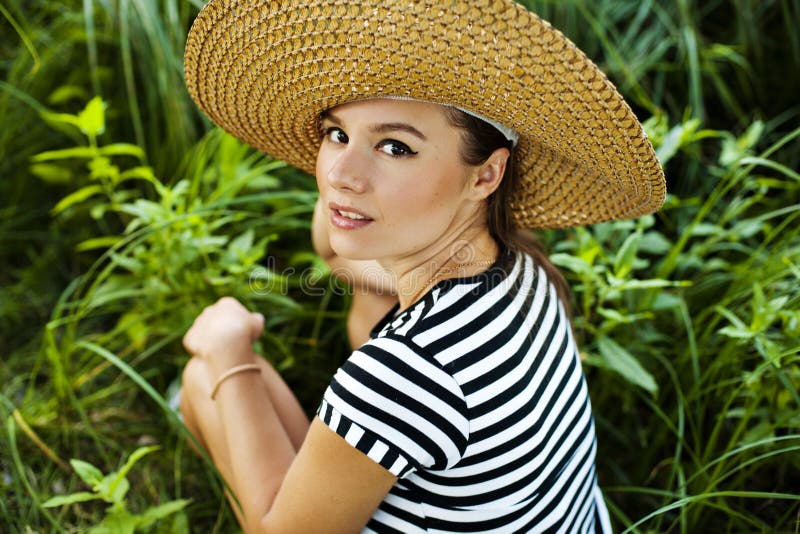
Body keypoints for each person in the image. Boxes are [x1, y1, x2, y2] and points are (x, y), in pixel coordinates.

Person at [179, 1, 666, 532]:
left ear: (485, 175)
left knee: (204, 381)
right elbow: (337, 248)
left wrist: (230, 353)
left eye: (395, 147)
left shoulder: (403, 371)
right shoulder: (523, 267)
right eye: (337, 134)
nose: (342, 174)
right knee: (366, 298)